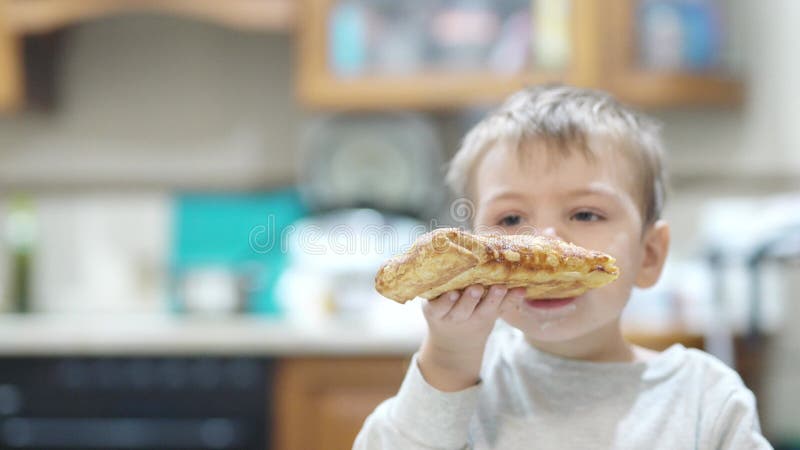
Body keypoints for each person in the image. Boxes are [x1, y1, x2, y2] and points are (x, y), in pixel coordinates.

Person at [354, 85, 771, 449]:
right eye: (511, 220)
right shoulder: (460, 383)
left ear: (649, 255)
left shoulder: (705, 399)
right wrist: (447, 359)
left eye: (586, 214)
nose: (545, 241)